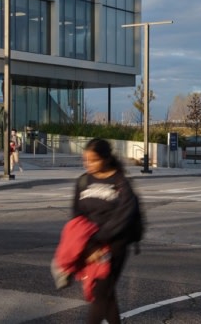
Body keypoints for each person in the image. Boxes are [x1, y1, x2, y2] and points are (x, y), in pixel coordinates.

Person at [62, 138, 144, 324]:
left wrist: (99, 242)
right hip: (90, 245)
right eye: (85, 160)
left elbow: (123, 217)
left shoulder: (120, 183)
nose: (88, 164)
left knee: (100, 293)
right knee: (107, 295)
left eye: (93, 160)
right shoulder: (83, 182)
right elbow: (76, 215)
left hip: (115, 246)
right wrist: (89, 246)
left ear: (106, 159)